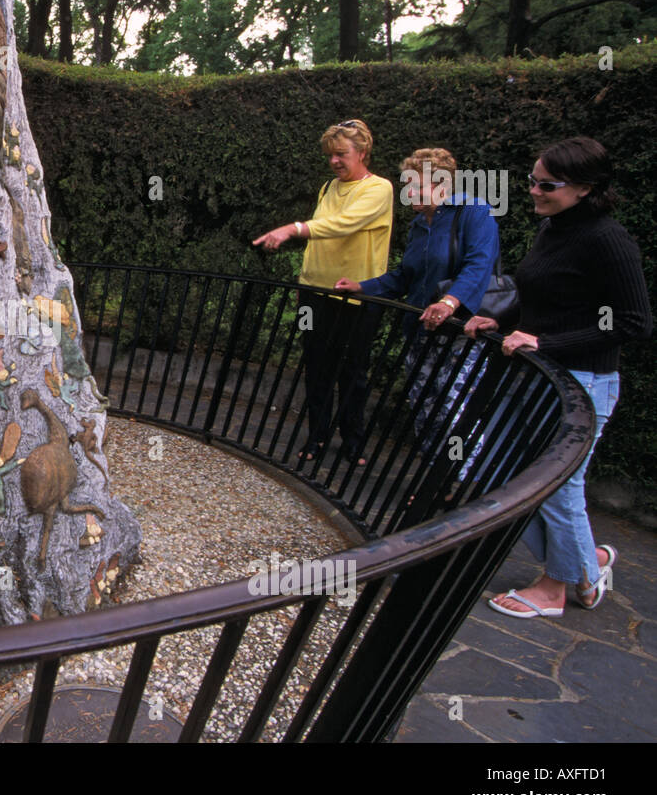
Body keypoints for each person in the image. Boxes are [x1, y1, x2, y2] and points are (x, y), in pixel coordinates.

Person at [464, 137, 651, 618]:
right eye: (531, 180)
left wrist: (546, 344)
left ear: (585, 188)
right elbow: (545, 300)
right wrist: (503, 324)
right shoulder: (553, 228)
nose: (533, 190)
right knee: (498, 470)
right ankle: (586, 564)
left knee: (557, 484)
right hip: (536, 376)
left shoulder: (608, 239)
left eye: (546, 184)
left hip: (581, 384)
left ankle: (558, 586)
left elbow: (632, 322)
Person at [334, 148, 499, 454]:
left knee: (455, 413)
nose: (409, 192)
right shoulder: (420, 225)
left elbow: (479, 264)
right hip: (421, 333)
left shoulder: (475, 212)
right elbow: (404, 277)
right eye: (407, 185)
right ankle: (432, 481)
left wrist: (449, 303)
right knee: (426, 410)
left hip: (458, 335)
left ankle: (461, 484)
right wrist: (362, 287)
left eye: (417, 185)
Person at [254, 119, 394, 464]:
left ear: (362, 152)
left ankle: (353, 441)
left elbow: (341, 225)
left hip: (357, 296)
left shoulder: (380, 189)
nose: (334, 161)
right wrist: (305, 283)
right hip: (315, 294)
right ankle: (316, 437)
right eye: (330, 155)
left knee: (353, 371)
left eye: (341, 154)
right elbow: (318, 244)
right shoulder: (328, 188)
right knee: (316, 366)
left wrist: (293, 228)